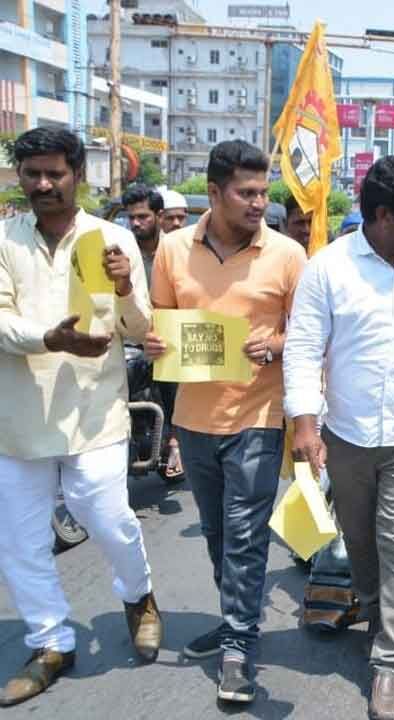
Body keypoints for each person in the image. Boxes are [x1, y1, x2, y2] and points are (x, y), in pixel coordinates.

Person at [285, 154, 394, 720]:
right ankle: (374, 602)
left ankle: (390, 662)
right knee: (360, 540)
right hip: (348, 433)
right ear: (384, 215)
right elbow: (304, 348)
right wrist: (305, 425)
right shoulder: (329, 268)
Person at [0, 127, 161, 706]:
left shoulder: (112, 238)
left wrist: (122, 289)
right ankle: (51, 643)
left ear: (78, 176)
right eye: (32, 172)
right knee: (19, 542)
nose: (43, 183)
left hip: (94, 412)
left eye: (55, 173)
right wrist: (47, 339)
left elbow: (140, 330)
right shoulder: (3, 239)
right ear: (21, 176)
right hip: (19, 418)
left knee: (108, 513)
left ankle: (137, 592)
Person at [145, 140, 306, 705]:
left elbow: (309, 334)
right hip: (193, 419)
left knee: (244, 534)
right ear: (214, 193)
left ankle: (238, 645)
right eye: (247, 192)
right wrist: (153, 342)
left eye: (264, 192)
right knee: (217, 533)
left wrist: (279, 342)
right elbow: (159, 326)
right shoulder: (170, 250)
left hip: (259, 416)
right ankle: (235, 615)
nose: (259, 202)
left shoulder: (287, 254)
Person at [122, 184, 184, 480]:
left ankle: (175, 441)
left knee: (172, 376)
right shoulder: (119, 250)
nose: (136, 223)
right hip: (129, 338)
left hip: (168, 338)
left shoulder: (178, 252)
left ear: (159, 216)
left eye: (143, 216)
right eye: (131, 217)